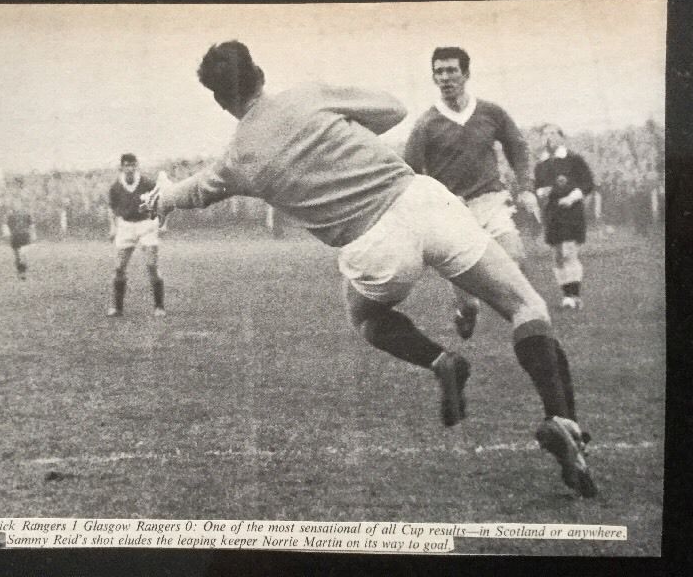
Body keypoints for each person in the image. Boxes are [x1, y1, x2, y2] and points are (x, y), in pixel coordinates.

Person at [142, 41, 597, 497]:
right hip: (422, 202)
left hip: (374, 246)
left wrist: (162, 196)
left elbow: (192, 192)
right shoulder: (309, 95)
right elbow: (393, 110)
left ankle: (441, 361)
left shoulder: (236, 160)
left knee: (364, 316)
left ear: (222, 101)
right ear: (259, 73)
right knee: (526, 306)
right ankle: (562, 418)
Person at [404, 47, 540, 340]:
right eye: (439, 72)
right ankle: (465, 310)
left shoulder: (491, 112)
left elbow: (518, 147)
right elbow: (410, 173)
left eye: (451, 70)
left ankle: (527, 323)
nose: (445, 77)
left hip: (491, 201)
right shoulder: (426, 123)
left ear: (466, 74)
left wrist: (527, 189)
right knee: (467, 295)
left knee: (514, 259)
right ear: (433, 78)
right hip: (452, 211)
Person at [534, 124, 595, 310]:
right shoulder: (541, 164)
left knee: (569, 251)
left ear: (561, 137)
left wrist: (571, 197)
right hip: (552, 212)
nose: (549, 137)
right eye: (545, 133)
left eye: (553, 133)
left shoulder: (573, 159)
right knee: (558, 255)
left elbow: (588, 183)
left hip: (571, 211)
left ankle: (574, 295)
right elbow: (537, 187)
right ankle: (566, 295)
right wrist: (541, 192)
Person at [107, 153, 165, 318]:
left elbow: (160, 202)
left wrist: (162, 223)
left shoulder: (147, 183)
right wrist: (113, 227)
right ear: (122, 167)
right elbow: (111, 209)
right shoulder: (116, 187)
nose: (130, 168)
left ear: (137, 166)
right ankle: (117, 308)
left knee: (151, 265)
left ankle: (159, 306)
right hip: (125, 226)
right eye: (127, 165)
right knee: (119, 267)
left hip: (146, 224)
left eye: (133, 165)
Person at [5, 197, 35, 281]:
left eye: (18, 204)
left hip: (24, 236)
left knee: (23, 254)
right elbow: (8, 226)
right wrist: (10, 234)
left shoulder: (26, 214)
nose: (16, 206)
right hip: (15, 237)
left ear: (21, 205)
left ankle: (23, 273)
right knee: (17, 256)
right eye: (15, 204)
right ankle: (20, 273)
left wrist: (32, 234)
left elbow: (31, 224)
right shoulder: (11, 215)